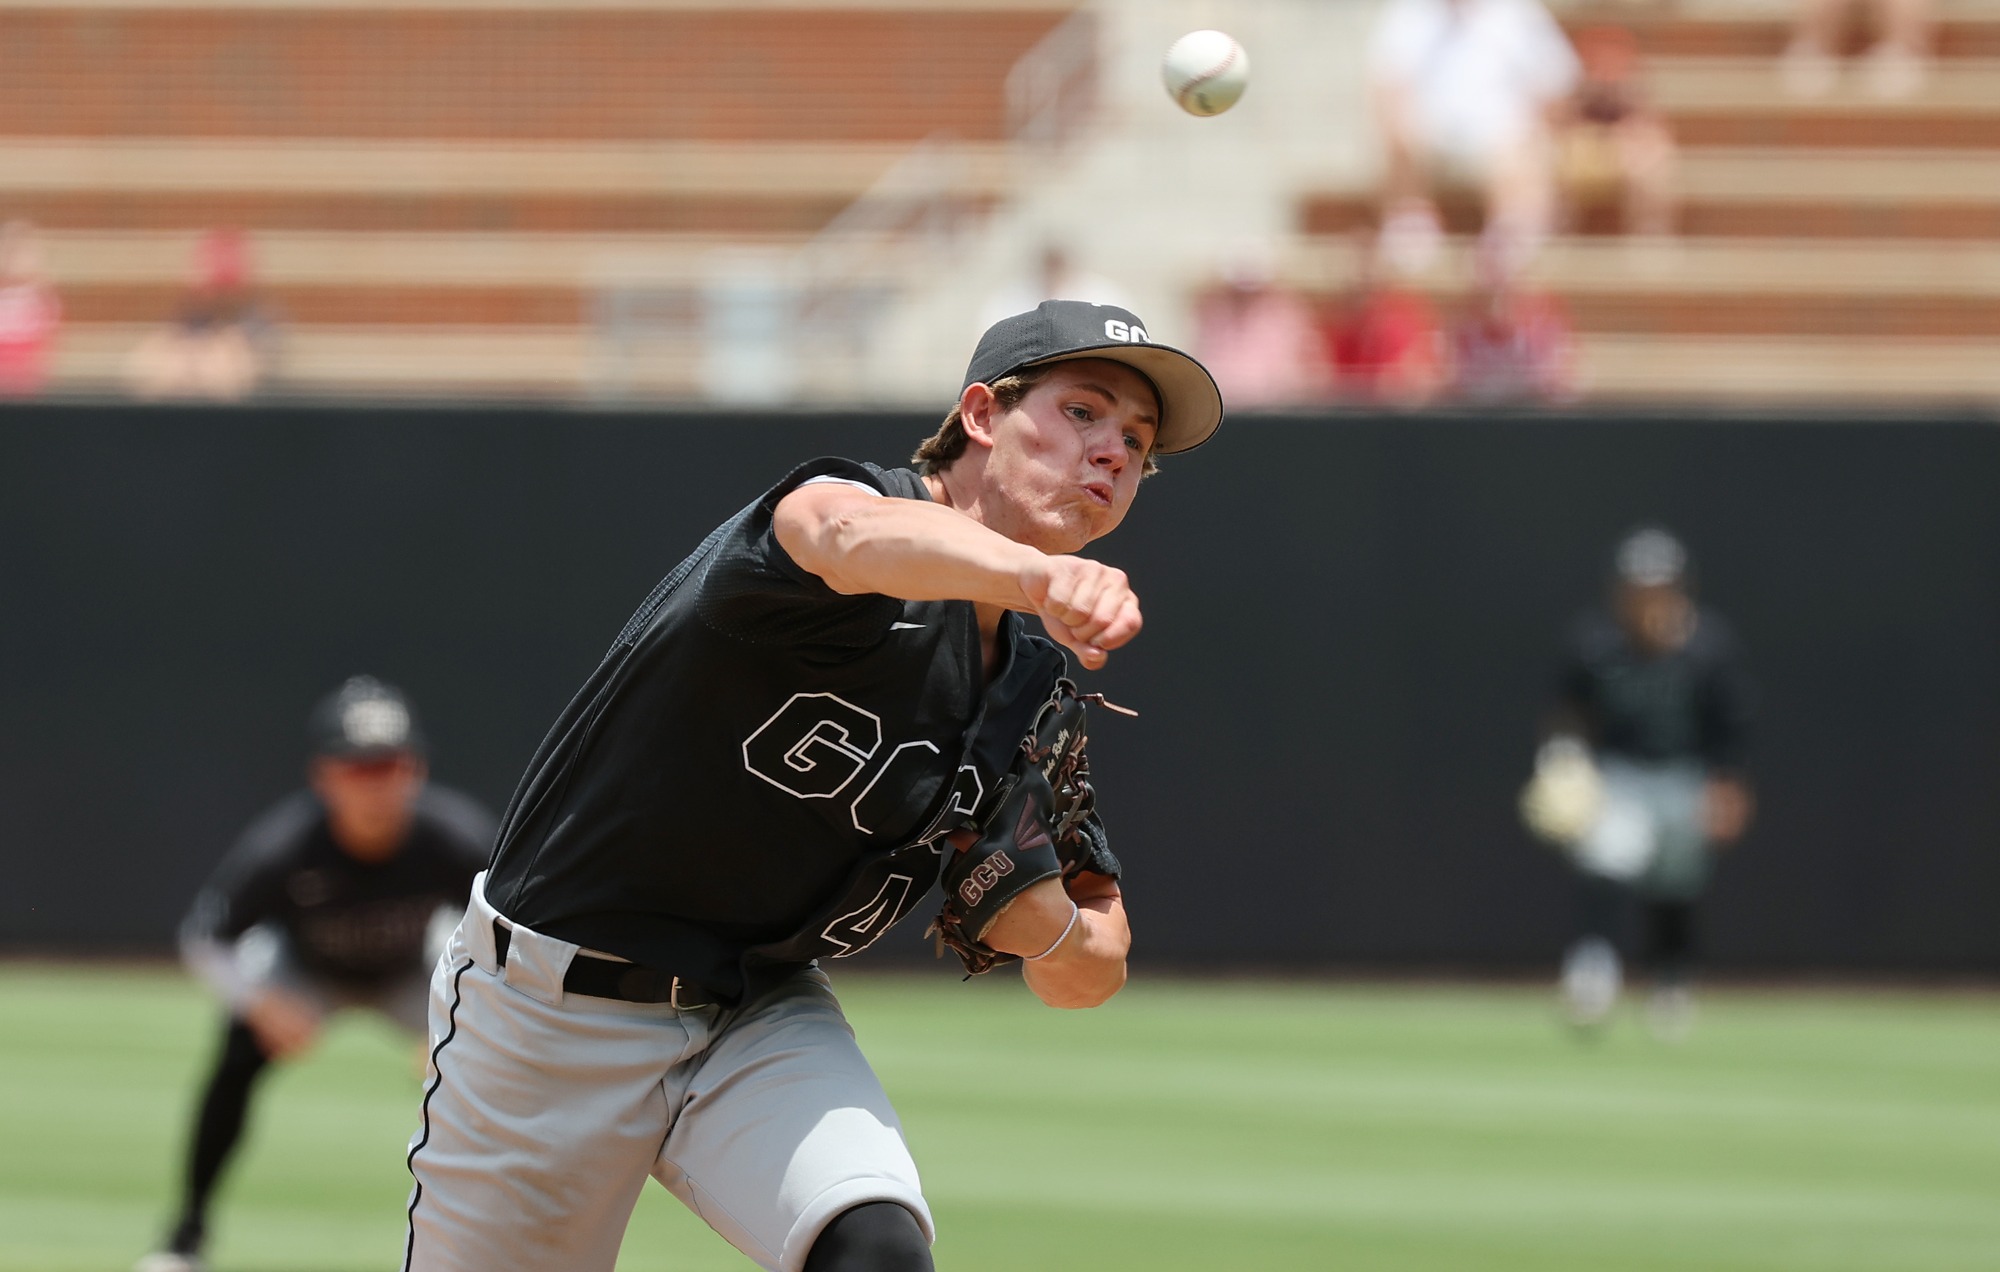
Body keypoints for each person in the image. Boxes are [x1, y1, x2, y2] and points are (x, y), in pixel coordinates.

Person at [401, 300, 1223, 1272]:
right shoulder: (842, 510)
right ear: (980, 414)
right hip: (556, 1006)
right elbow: (845, 534)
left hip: (760, 1008)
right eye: (1082, 411)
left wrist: (1045, 926)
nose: (1113, 452)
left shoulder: (1026, 688)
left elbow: (1093, 971)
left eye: (1137, 441)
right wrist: (1032, 577)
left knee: (875, 1249)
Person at [138, 678, 494, 1272]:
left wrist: (463, 1023)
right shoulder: (286, 846)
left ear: (416, 770)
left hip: (412, 973)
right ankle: (185, 1237)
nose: (376, 785)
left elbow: (506, 934)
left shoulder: (454, 837)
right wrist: (261, 1004)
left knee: (498, 1068)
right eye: (358, 769)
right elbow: (205, 936)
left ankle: (490, 1248)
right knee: (235, 1056)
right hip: (306, 973)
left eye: (389, 766)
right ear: (324, 776)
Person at [1519, 529, 1756, 1040]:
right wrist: (1561, 762)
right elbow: (1567, 715)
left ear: (1679, 587)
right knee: (1607, 860)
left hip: (1684, 776)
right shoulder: (1596, 646)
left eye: (1658, 586)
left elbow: (1730, 726)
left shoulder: (1707, 647)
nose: (1647, 596)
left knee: (1674, 883)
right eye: (1638, 587)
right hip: (1619, 776)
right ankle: (1593, 972)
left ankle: (1671, 981)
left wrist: (1728, 785)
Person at [1368, 0, 1581, 272]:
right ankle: (1411, 229)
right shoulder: (1410, 12)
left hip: (1503, 134)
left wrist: (1538, 125)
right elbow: (1386, 82)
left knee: (1524, 149)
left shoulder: (1518, 13)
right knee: (1396, 124)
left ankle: (1509, 241)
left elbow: (1557, 82)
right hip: (1427, 131)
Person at [124, 227, 279, 402]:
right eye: (210, 289)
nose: (214, 296)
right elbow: (141, 374)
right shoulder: (180, 328)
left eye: (223, 290)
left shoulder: (259, 329)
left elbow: (247, 382)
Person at [1554, 26, 1678, 241]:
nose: (1606, 66)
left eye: (1612, 59)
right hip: (1579, 156)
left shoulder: (1633, 93)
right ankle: (1555, 236)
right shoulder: (1573, 91)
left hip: (1624, 156)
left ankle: (1651, 238)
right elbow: (1559, 125)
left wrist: (1629, 135)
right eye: (1600, 60)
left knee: (1653, 156)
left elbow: (1651, 127)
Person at [0, 218, 61, 398]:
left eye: (26, 250)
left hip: (31, 389)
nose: (17, 258)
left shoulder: (44, 297)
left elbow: (49, 348)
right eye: (12, 250)